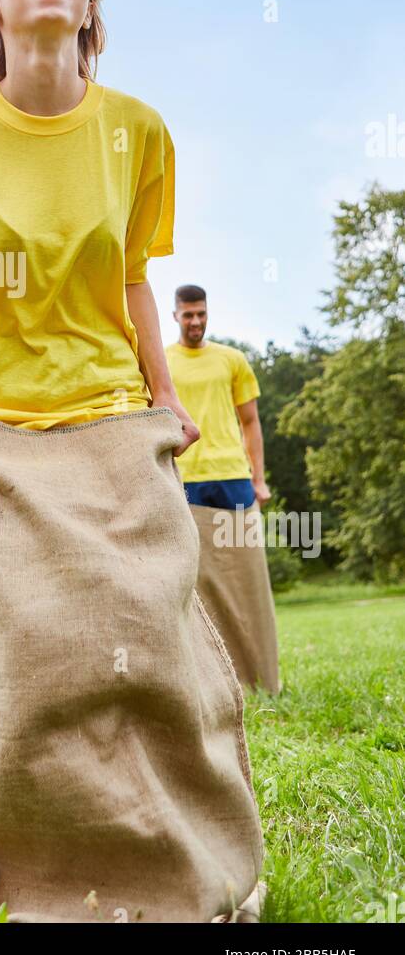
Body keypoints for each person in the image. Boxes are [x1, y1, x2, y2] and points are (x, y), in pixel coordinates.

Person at [0, 0, 265, 924]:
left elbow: (130, 278)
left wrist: (167, 399)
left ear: (88, 8)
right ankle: (37, 880)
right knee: (35, 655)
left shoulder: (136, 129)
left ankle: (189, 865)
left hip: (105, 409)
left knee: (145, 628)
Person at [166, 285, 281, 695]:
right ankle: (213, 682)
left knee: (246, 577)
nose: (195, 321)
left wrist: (259, 477)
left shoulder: (232, 359)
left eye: (201, 314)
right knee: (197, 582)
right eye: (187, 315)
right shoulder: (160, 363)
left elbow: (251, 422)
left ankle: (265, 678)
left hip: (232, 477)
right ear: (175, 315)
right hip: (184, 479)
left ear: (207, 314)